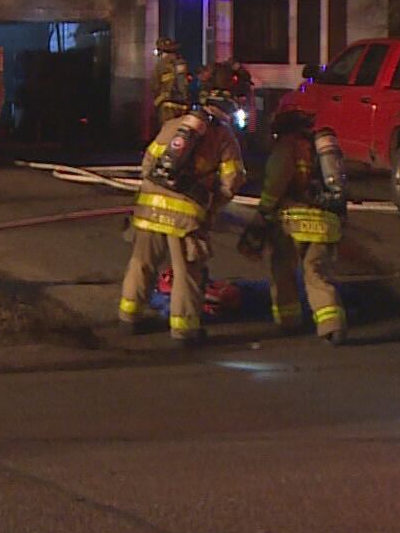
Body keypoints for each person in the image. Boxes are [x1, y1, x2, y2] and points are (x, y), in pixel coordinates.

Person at [120, 76, 247, 345]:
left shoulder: (172, 125)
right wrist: (212, 206)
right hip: (186, 218)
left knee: (141, 263)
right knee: (187, 273)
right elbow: (232, 181)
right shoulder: (224, 137)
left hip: (147, 209)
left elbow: (147, 165)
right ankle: (184, 330)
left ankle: (128, 317)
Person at [253, 108, 346, 343]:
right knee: (316, 272)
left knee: (282, 270)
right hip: (325, 222)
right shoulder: (319, 149)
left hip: (292, 222)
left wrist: (264, 211)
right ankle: (331, 324)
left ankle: (289, 321)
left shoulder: (286, 147)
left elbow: (275, 183)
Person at [151, 38, 193, 127]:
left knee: (166, 132)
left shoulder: (159, 65)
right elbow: (184, 85)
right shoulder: (180, 63)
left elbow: (154, 86)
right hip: (181, 105)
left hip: (166, 105)